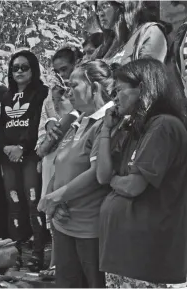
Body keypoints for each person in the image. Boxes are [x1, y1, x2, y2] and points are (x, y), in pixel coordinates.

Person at [96, 59, 187, 287]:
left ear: (143, 88)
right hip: (124, 254)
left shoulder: (163, 126)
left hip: (146, 258)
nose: (114, 98)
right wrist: (107, 130)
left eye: (118, 90)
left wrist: (115, 180)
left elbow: (133, 186)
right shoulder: (135, 127)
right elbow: (102, 174)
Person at [37, 60, 116, 287]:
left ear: (95, 88)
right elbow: (62, 163)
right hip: (64, 221)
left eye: (74, 85)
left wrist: (55, 198)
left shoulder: (106, 123)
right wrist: (54, 199)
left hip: (88, 227)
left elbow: (96, 174)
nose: (68, 92)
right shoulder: (79, 120)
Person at [0, 50, 48, 271]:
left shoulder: (42, 93)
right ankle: (16, 252)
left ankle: (38, 253)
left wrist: (22, 147)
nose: (18, 71)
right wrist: (5, 148)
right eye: (15, 67)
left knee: (33, 202)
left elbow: (38, 122)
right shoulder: (5, 97)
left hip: (30, 155)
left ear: (33, 69)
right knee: (14, 203)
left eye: (24, 67)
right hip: (8, 157)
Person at [35, 46, 79, 279]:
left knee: (67, 204)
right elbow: (46, 128)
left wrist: (55, 127)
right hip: (51, 156)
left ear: (76, 64)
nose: (62, 75)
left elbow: (67, 125)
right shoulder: (50, 96)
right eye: (57, 71)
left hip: (73, 155)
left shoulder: (81, 91)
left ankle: (64, 263)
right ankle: (54, 261)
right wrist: (50, 123)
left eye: (65, 69)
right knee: (49, 208)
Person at [96, 1, 168, 64]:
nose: (100, 14)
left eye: (104, 6)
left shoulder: (151, 32)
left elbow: (148, 75)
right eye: (98, 9)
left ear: (123, 5)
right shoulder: (111, 41)